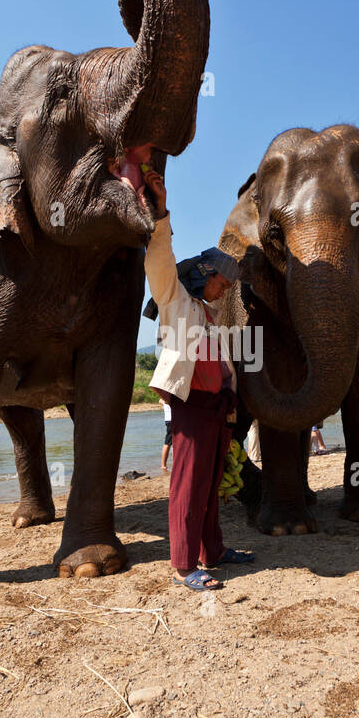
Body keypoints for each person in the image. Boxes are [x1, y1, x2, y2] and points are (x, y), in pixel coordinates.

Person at [143, 167, 255, 591]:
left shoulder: (209, 317)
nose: (224, 292)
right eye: (222, 284)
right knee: (187, 486)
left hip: (215, 409)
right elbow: (160, 257)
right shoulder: (175, 302)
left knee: (209, 485)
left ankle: (215, 551)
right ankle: (184, 563)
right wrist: (161, 208)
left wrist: (230, 406)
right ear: (205, 274)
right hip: (188, 407)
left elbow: (222, 368)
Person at [160, 400, 173, 472]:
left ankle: (164, 465)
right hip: (172, 419)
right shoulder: (169, 396)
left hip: (169, 419)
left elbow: (160, 400)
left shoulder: (165, 395)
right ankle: (163, 465)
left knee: (171, 443)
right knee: (168, 443)